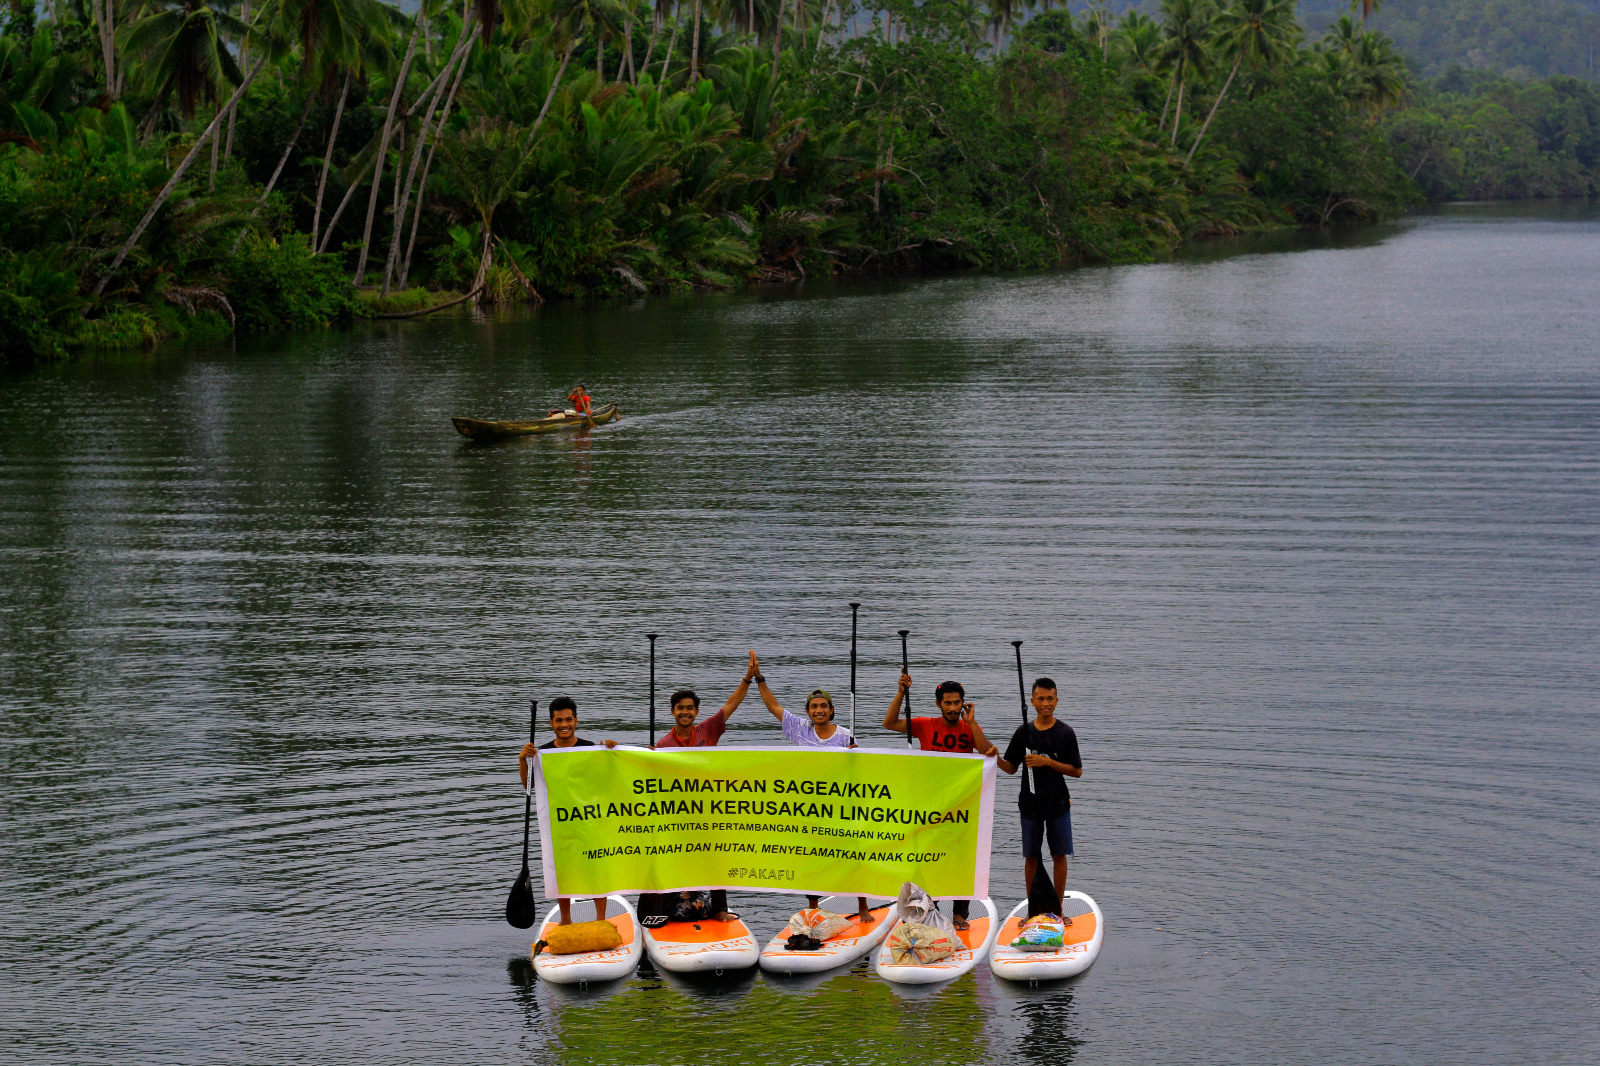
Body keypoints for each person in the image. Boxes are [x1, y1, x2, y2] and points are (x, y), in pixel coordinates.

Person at [748, 656, 872, 923]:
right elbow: (773, 706)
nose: (819, 710)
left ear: (831, 710)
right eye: (814, 706)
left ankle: (863, 906)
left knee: (853, 855)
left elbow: (860, 769)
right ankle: (814, 907)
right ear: (808, 711)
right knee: (812, 858)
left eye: (824, 706)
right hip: (810, 806)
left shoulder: (845, 735)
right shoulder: (799, 730)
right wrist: (759, 679)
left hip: (840, 806)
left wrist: (855, 754)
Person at [640, 653, 758, 923]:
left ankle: (719, 909)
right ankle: (665, 908)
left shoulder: (709, 730)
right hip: (678, 813)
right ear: (673, 711)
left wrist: (748, 679)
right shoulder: (662, 745)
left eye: (690, 708)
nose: (685, 712)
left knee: (714, 858)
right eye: (680, 708)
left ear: (696, 712)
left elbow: (731, 704)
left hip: (709, 809)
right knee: (673, 859)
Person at [883, 674, 998, 929]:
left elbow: (989, 753)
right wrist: (901, 692)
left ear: (963, 704)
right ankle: (924, 909)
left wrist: (974, 723)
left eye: (957, 703)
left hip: (960, 807)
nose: (953, 708)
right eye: (948, 703)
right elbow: (889, 723)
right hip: (929, 805)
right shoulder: (925, 724)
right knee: (924, 859)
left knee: (961, 859)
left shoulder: (969, 726)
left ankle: (959, 916)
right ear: (939, 704)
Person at [516, 696, 617, 925]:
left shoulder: (590, 748)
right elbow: (529, 785)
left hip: (590, 821)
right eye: (559, 720)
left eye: (569, 719)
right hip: (559, 822)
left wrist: (611, 750)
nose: (564, 724)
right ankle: (565, 920)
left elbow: (611, 777)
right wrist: (523, 759)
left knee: (595, 869)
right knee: (561, 871)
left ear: (576, 721)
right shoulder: (542, 753)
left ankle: (601, 919)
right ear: (551, 723)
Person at [996, 677, 1082, 919]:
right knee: (1031, 857)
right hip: (1030, 804)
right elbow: (1010, 767)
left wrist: (1048, 762)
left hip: (1058, 804)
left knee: (1059, 855)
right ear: (1032, 701)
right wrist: (993, 756)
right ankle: (1033, 910)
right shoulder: (1024, 732)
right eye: (1041, 699)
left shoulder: (1065, 732)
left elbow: (1076, 771)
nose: (1046, 703)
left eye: (1050, 698)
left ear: (1057, 700)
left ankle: (1058, 910)